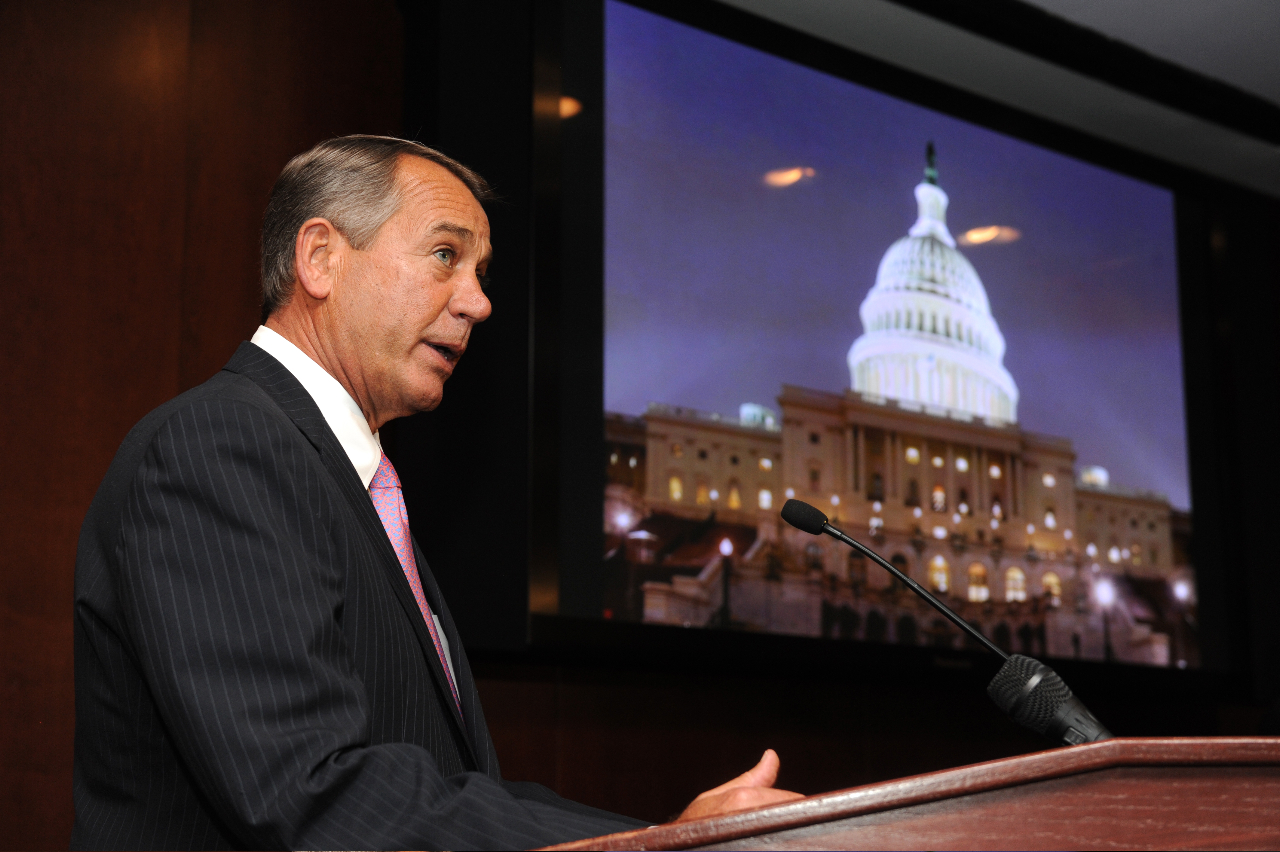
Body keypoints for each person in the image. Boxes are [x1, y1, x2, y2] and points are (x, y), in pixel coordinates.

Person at [72, 135, 801, 850]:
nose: (479, 304)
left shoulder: (341, 476)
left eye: (481, 272)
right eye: (445, 257)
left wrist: (665, 838)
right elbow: (311, 786)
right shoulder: (219, 446)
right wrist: (663, 845)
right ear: (320, 258)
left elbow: (445, 781)